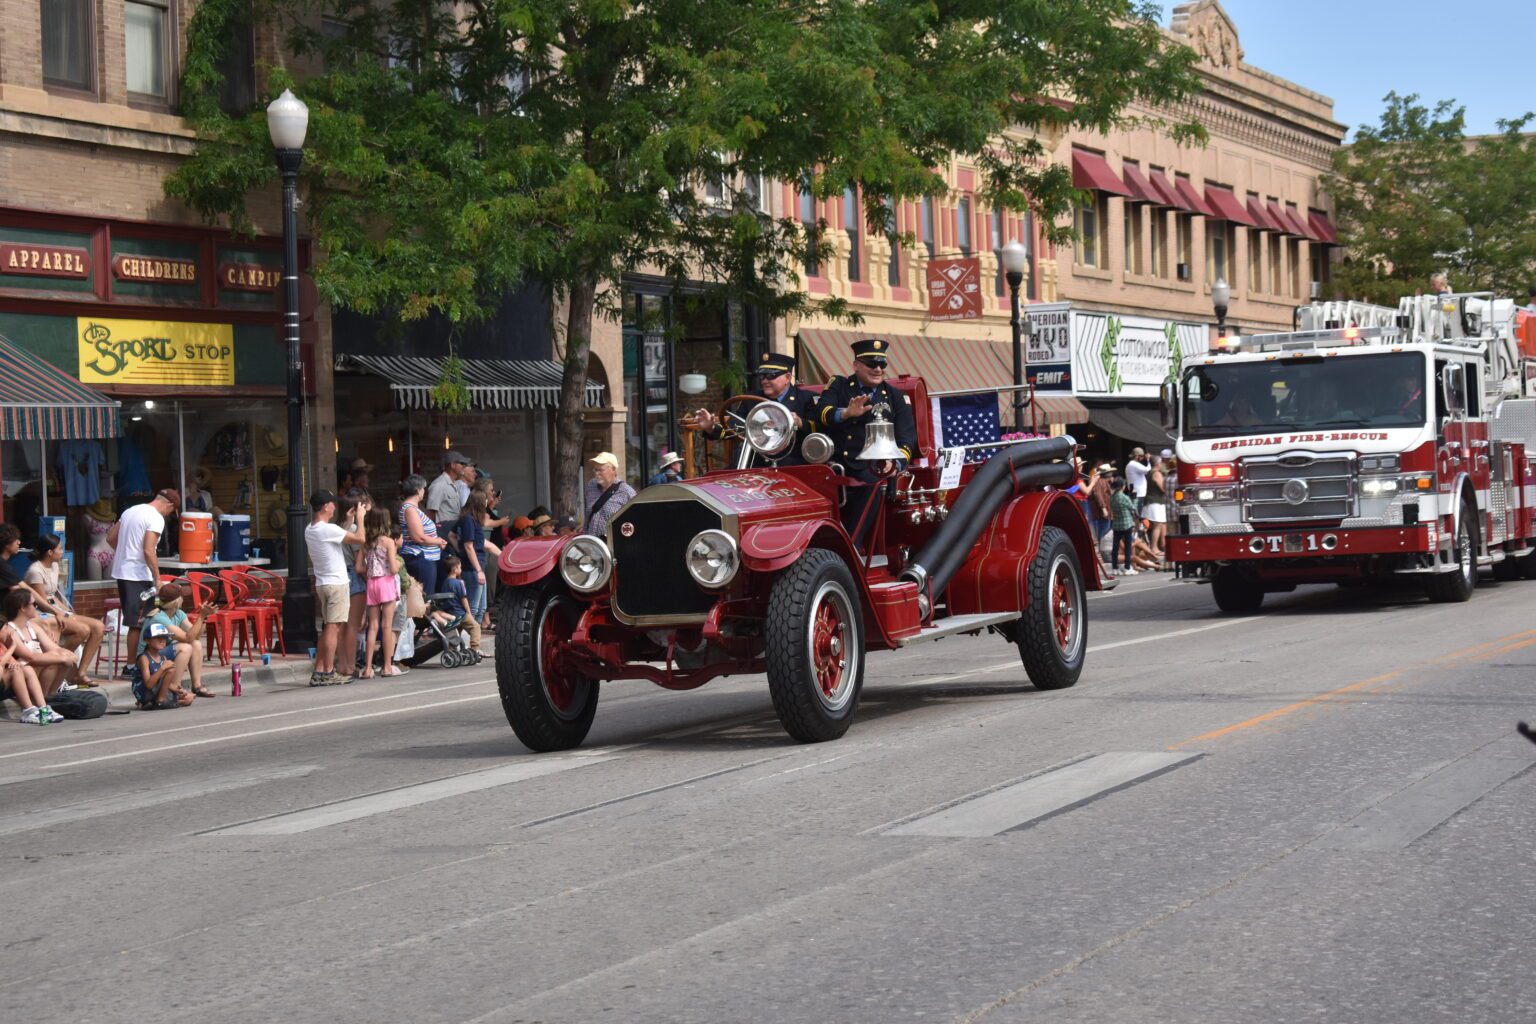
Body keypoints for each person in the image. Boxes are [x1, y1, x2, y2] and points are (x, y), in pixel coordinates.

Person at [814, 338, 917, 547]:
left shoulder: (895, 397)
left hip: (872, 470)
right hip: (835, 466)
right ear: (856, 365)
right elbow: (821, 413)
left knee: (873, 485)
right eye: (871, 363)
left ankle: (850, 549)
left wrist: (894, 463)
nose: (878, 369)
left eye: (882, 364)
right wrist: (846, 413)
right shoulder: (839, 385)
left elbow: (907, 439)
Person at [689, 353, 822, 466]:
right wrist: (711, 427)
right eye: (762, 376)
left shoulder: (807, 399)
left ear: (787, 377)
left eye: (771, 376)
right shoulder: (751, 399)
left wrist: (799, 422)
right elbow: (734, 428)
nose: (764, 381)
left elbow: (822, 430)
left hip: (794, 465)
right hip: (755, 465)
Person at [305, 488, 369, 685]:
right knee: (334, 628)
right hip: (336, 584)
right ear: (326, 507)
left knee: (328, 628)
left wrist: (349, 522)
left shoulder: (311, 529)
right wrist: (360, 518)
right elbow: (360, 538)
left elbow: (338, 539)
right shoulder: (328, 529)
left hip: (323, 583)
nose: (335, 507)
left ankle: (319, 671)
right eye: (332, 503)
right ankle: (328, 672)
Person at [106, 488, 179, 659]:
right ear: (169, 504)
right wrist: (158, 579)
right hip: (137, 575)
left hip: (123, 572)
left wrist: (125, 553)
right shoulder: (155, 518)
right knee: (137, 623)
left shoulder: (130, 511)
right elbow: (148, 550)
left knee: (141, 620)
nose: (168, 515)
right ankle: (131, 665)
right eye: (171, 511)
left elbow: (110, 538)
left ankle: (143, 660)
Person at [24, 535, 105, 687]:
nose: (62, 551)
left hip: (55, 608)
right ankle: (57, 661)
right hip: (43, 613)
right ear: (50, 552)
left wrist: (68, 612)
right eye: (60, 549)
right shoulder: (35, 571)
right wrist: (60, 613)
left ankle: (80, 673)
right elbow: (42, 602)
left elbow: (53, 596)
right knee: (83, 630)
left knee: (99, 627)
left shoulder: (54, 566)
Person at [137, 583, 214, 698]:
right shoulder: (159, 617)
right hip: (147, 657)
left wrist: (204, 618)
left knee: (196, 644)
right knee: (185, 648)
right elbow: (187, 637)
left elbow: (195, 636)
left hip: (159, 652)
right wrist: (201, 616)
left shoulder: (178, 614)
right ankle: (175, 688)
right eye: (182, 596)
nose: (184, 599)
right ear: (177, 601)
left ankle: (197, 686)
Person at [1, 588, 77, 699]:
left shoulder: (32, 626)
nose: (36, 607)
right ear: (23, 608)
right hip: (19, 675)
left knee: (61, 657)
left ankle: (51, 695)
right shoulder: (9, 631)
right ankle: (43, 698)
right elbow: (30, 657)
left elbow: (53, 647)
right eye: (34, 604)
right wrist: (61, 658)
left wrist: (68, 654)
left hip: (34, 669)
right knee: (55, 661)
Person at [359, 508, 403, 678]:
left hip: (372, 583)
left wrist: (371, 569)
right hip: (386, 583)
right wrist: (398, 564)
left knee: (372, 627)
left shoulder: (365, 542)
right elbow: (393, 568)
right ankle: (387, 666)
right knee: (387, 626)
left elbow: (358, 567)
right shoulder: (388, 542)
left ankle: (368, 668)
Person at [335, 488, 372, 680]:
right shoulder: (355, 529)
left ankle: (342, 664)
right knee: (353, 624)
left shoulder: (338, 526)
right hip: (353, 576)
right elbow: (360, 561)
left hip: (339, 574)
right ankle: (350, 665)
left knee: (340, 625)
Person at [398, 474, 447, 597]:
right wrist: (438, 541)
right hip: (420, 558)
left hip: (425, 557)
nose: (424, 491)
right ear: (418, 490)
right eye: (423, 488)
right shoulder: (410, 509)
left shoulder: (414, 508)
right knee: (425, 597)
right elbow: (418, 537)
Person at [1, 626, 58, 725]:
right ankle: (28, 711)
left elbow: (13, 662)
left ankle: (43, 709)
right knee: (15, 671)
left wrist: (16, 663)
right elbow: (1, 663)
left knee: (27, 669)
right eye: (5, 628)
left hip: (4, 684)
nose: (9, 631)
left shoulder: (1, 646)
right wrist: (13, 647)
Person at [132, 621, 190, 710]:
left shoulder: (163, 657)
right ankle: (160, 701)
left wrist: (177, 689)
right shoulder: (144, 658)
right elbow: (149, 685)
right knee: (170, 669)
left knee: (188, 698)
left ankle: (154, 703)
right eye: (158, 637)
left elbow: (163, 681)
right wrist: (163, 668)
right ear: (147, 640)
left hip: (155, 690)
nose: (162, 640)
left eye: (164, 637)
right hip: (144, 692)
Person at [434, 555, 482, 653]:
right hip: (460, 613)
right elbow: (464, 599)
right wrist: (469, 613)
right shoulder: (459, 582)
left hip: (450, 614)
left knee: (456, 632)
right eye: (460, 567)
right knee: (475, 627)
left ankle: (453, 650)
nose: (461, 569)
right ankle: (475, 649)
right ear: (455, 569)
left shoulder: (445, 583)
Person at [582, 452, 637, 538]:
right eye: (595, 470)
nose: (597, 473)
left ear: (613, 469)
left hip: (613, 544)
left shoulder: (627, 493)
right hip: (592, 543)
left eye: (600, 470)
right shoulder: (591, 485)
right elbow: (587, 517)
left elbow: (634, 524)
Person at [458, 491, 489, 631]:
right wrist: (478, 570)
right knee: (473, 608)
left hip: (478, 566)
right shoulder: (468, 520)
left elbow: (452, 535)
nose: (487, 502)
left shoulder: (471, 519)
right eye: (485, 500)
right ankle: (470, 640)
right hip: (473, 569)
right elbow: (468, 546)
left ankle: (475, 640)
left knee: (481, 608)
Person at [425, 451, 471, 545]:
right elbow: (430, 513)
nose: (464, 466)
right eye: (462, 463)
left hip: (452, 534)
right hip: (443, 534)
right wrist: (432, 537)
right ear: (452, 465)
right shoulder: (439, 484)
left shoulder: (453, 484)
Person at [1110, 477, 1138, 575]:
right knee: (1128, 546)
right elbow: (1133, 508)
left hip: (1116, 525)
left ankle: (1114, 568)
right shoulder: (1124, 497)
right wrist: (1134, 498)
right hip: (1126, 524)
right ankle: (1127, 567)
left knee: (1115, 546)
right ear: (1122, 486)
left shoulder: (1112, 497)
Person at [1144, 458, 1168, 557]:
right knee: (1157, 525)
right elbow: (1163, 488)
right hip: (1155, 502)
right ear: (1158, 463)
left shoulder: (1150, 472)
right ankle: (1154, 548)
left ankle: (1162, 545)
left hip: (1156, 502)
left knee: (1161, 524)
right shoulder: (1156, 473)